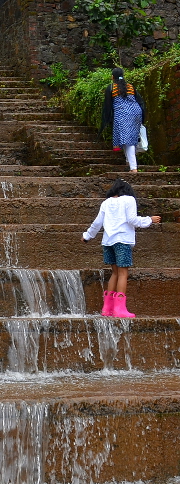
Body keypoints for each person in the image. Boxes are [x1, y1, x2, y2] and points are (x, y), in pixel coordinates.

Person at [82, 178, 161, 317]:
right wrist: (149, 219)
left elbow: (97, 223)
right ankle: (119, 309)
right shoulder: (129, 200)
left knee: (115, 273)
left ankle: (107, 308)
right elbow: (132, 219)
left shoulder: (106, 203)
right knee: (123, 273)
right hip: (122, 240)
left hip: (108, 242)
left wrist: (87, 236)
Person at [101, 68, 146, 173]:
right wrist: (143, 116)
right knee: (130, 137)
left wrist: (106, 120)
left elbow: (107, 106)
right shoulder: (130, 86)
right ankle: (128, 161)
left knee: (128, 140)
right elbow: (140, 101)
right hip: (136, 112)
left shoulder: (111, 87)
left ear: (112, 77)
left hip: (122, 114)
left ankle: (133, 168)